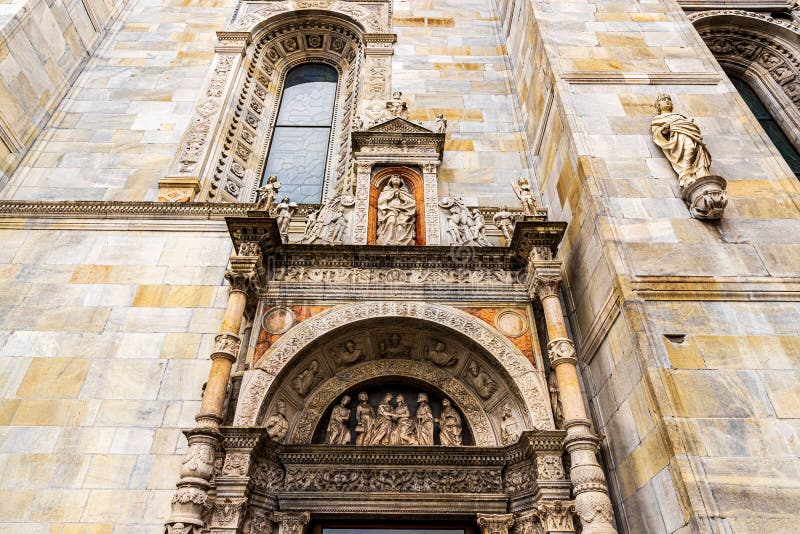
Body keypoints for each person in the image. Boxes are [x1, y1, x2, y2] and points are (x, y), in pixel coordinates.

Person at [650, 93, 713, 188]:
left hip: (689, 135)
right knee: (690, 147)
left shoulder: (680, 116)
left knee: (694, 149)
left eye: (669, 100)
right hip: (677, 138)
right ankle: (685, 175)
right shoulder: (658, 119)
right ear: (658, 105)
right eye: (663, 100)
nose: (667, 101)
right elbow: (656, 133)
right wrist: (664, 129)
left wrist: (690, 125)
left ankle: (698, 173)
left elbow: (689, 126)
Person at [376, 176, 416, 245]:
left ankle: (401, 242)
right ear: (390, 181)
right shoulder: (385, 192)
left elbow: (412, 203)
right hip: (390, 211)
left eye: (398, 178)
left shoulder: (405, 193)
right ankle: (389, 240)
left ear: (401, 181)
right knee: (391, 221)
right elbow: (380, 202)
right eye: (394, 178)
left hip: (402, 212)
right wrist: (390, 197)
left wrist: (401, 197)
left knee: (400, 227)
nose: (396, 179)